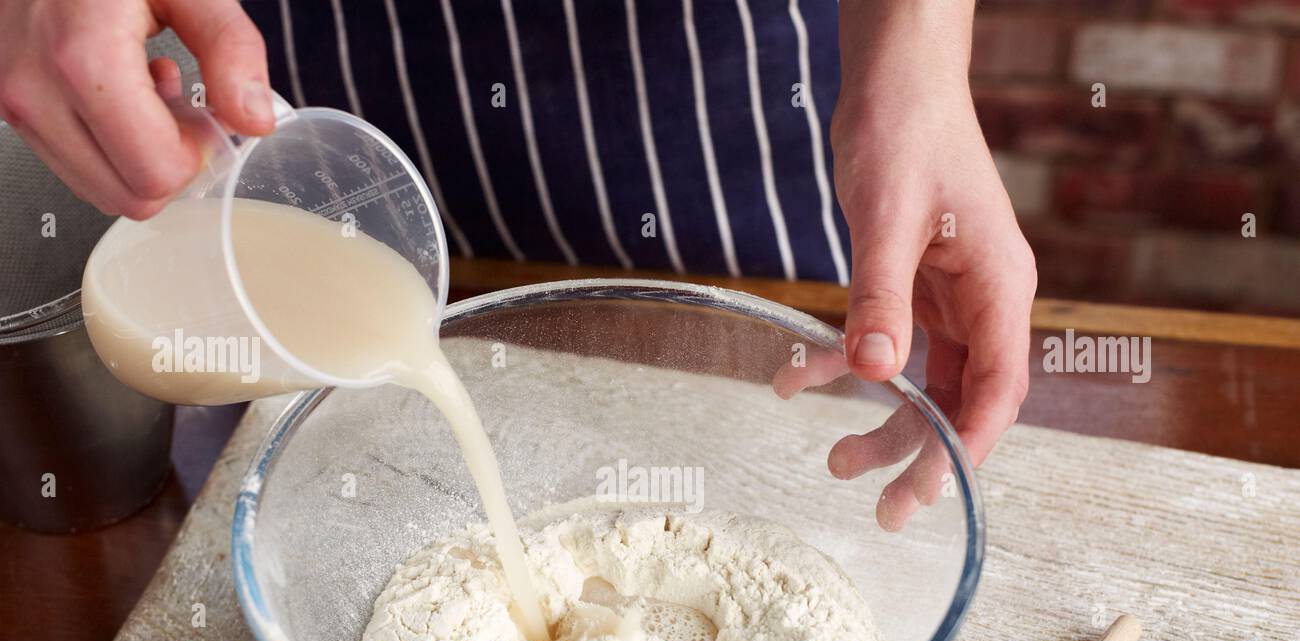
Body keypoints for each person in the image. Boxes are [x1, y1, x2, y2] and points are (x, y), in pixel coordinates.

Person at [0, 0, 1035, 506]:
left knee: (759, 444)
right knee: (320, 472)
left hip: (707, 106)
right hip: (321, 103)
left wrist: (917, 64)